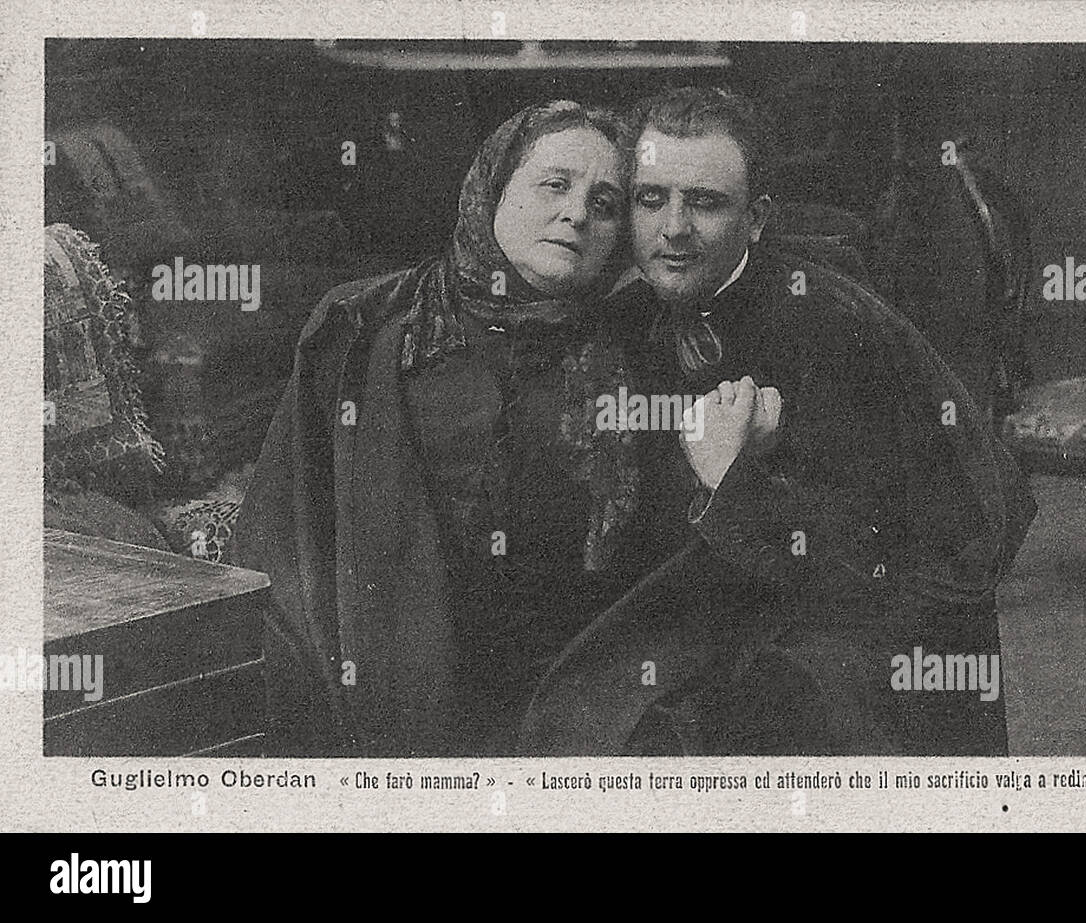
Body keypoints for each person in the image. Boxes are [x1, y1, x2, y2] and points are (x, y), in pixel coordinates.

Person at [520, 87, 1038, 756]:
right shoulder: (627, 315)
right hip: (714, 616)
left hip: (848, 655)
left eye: (705, 202)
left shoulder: (831, 326)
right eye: (652, 199)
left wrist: (731, 476)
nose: (673, 228)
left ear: (757, 219)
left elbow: (885, 567)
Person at [235, 100, 651, 757]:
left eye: (604, 203)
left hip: (567, 715)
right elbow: (282, 544)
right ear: (492, 189)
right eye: (554, 185)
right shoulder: (366, 328)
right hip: (386, 706)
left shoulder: (634, 357)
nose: (576, 213)